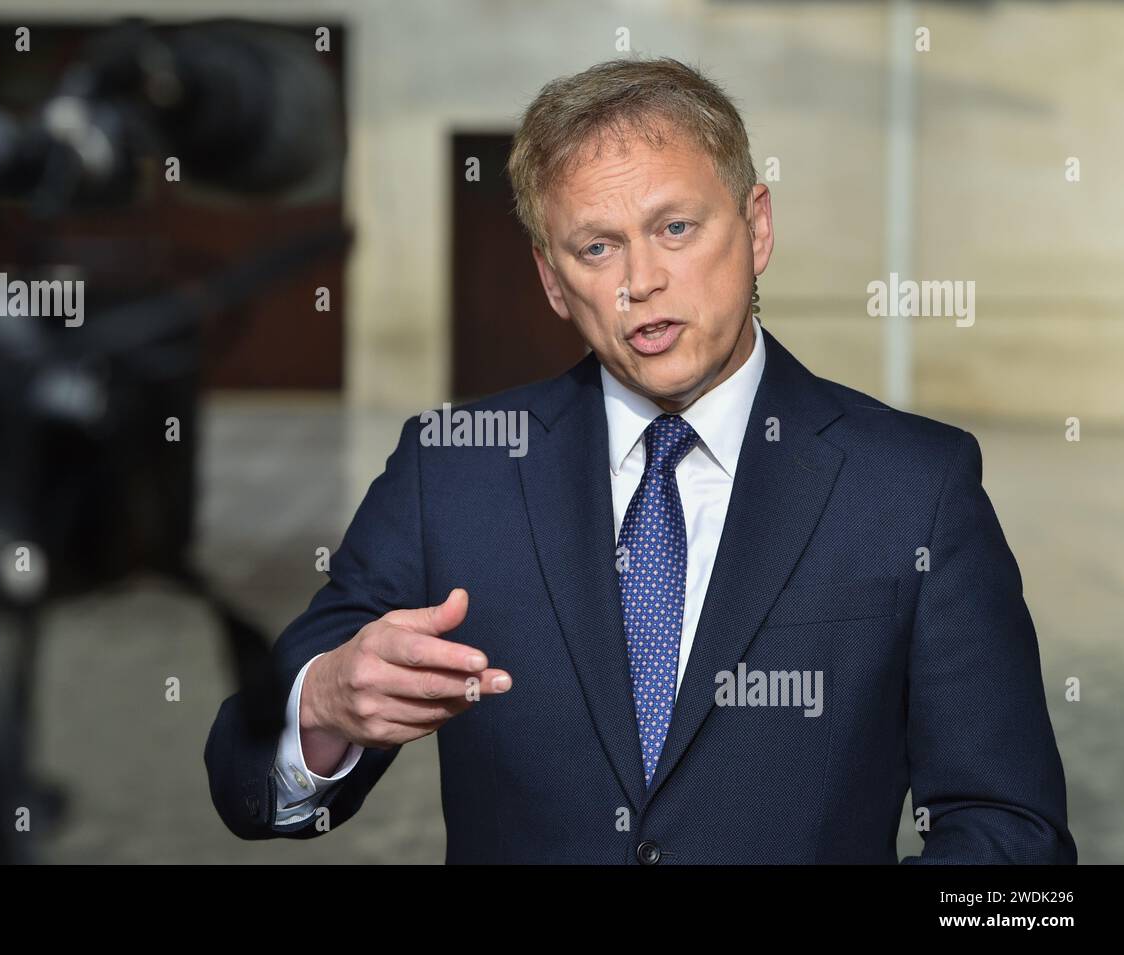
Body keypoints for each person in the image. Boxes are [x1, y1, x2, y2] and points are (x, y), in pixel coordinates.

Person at [205, 56, 1075, 864]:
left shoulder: (916, 487)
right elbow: (248, 783)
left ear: (756, 226)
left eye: (675, 227)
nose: (640, 280)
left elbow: (1014, 845)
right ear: (553, 281)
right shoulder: (453, 469)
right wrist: (321, 706)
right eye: (597, 246)